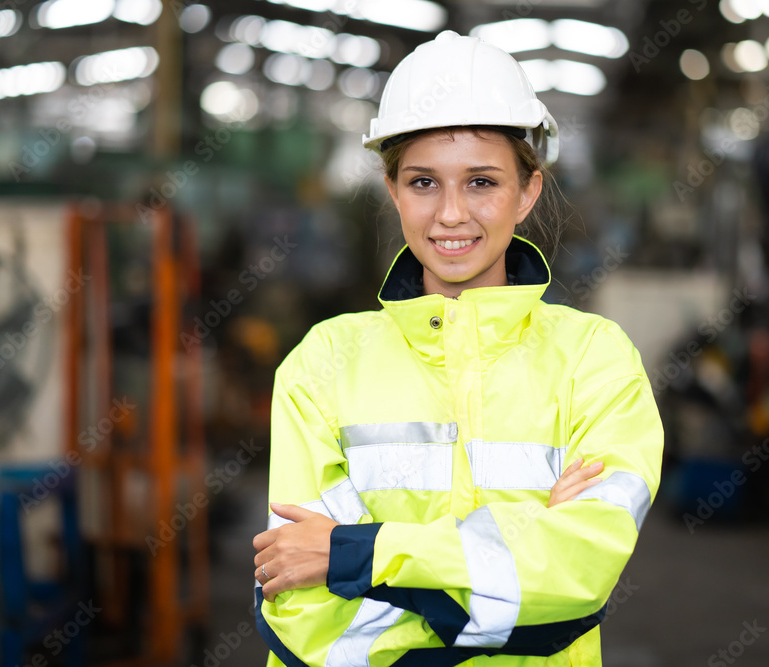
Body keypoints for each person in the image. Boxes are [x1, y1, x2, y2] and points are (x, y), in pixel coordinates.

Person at [252, 30, 664, 667]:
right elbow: (304, 614)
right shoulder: (322, 365)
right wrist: (520, 567)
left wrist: (358, 554)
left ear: (527, 192)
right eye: (423, 182)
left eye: (481, 182)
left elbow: (581, 575)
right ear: (392, 190)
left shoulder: (595, 361)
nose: (450, 214)